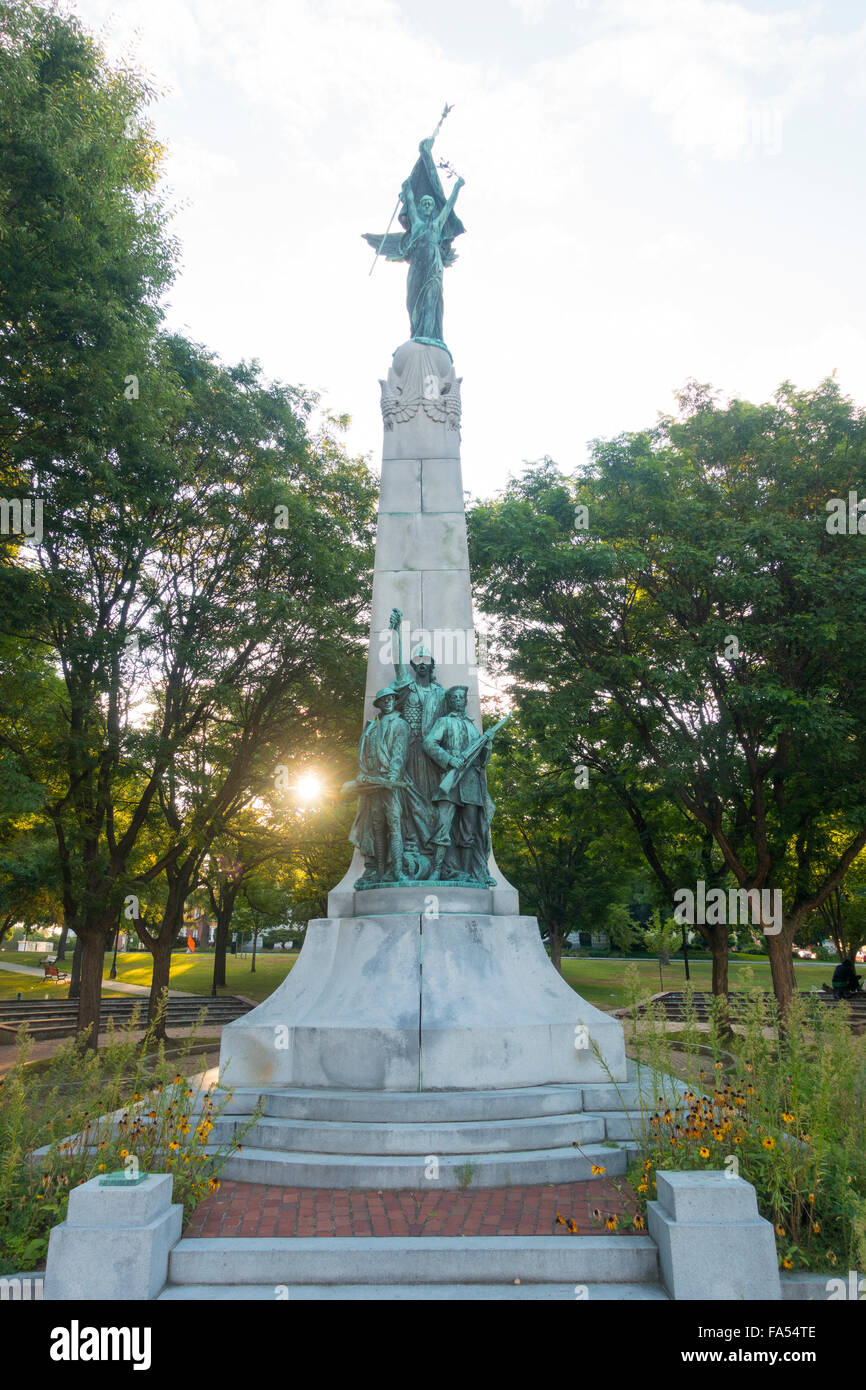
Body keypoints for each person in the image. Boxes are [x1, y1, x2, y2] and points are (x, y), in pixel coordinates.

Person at [422, 685, 495, 885]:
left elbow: (482, 761)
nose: (457, 701)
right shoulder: (443, 722)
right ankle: (436, 870)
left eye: (460, 698)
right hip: (451, 779)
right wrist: (448, 760)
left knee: (469, 830)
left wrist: (487, 745)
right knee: (443, 826)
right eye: (453, 698)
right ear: (449, 701)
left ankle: (468, 873)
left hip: (470, 782)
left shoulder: (472, 726)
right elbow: (429, 743)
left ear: (465, 701)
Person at [349, 686, 409, 884]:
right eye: (384, 700)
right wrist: (363, 774)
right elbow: (364, 753)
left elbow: (399, 754)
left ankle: (398, 870)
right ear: (379, 704)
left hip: (389, 783)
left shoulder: (399, 724)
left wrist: (392, 778)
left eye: (391, 698)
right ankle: (381, 869)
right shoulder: (371, 728)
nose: (388, 702)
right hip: (373, 783)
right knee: (377, 827)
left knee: (394, 825)